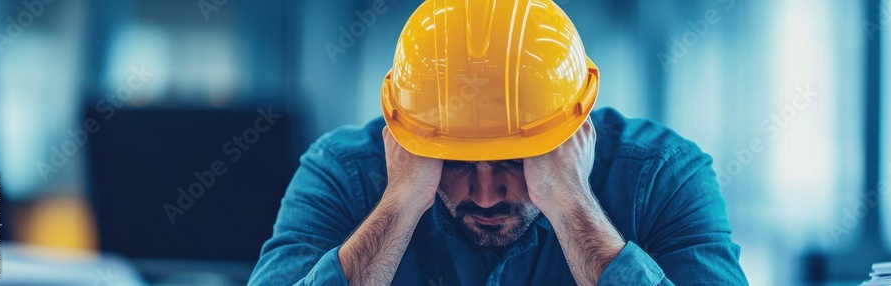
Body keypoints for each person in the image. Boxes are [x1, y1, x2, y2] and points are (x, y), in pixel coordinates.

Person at [250, 0, 748, 285]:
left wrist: (574, 207)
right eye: (456, 162)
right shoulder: (342, 171)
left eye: (515, 161)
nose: (485, 195)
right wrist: (399, 204)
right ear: (407, 140)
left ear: (574, 134)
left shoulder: (665, 175)